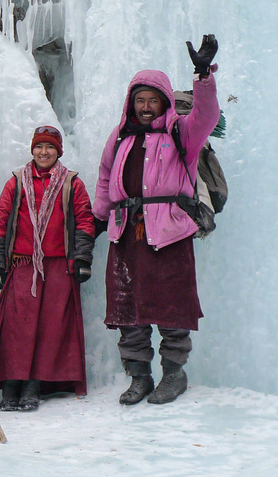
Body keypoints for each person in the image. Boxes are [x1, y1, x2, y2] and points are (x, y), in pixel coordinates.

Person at [94, 35, 220, 405]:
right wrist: (98, 220)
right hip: (126, 233)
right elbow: (105, 179)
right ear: (131, 103)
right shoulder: (120, 137)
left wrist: (202, 76)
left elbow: (206, 115)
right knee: (128, 306)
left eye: (153, 100)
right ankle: (139, 378)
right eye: (140, 100)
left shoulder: (180, 132)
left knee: (170, 306)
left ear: (164, 102)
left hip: (168, 233)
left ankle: (174, 375)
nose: (146, 107)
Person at [0, 126, 95, 410]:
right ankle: (11, 384)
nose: (44, 152)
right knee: (15, 327)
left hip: (58, 266)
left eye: (50, 148)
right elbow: (1, 220)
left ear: (59, 151)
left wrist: (82, 259)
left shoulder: (72, 183)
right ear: (32, 150)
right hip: (22, 264)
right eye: (39, 147)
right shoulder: (17, 181)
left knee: (49, 328)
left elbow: (84, 220)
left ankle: (34, 385)